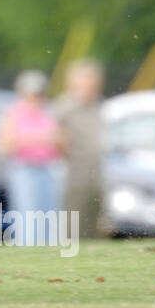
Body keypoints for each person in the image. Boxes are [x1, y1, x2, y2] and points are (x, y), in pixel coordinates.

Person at [0, 70, 64, 245]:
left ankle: (48, 248)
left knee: (49, 212)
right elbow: (4, 144)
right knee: (28, 212)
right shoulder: (14, 112)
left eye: (39, 93)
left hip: (47, 167)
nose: (36, 97)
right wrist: (37, 138)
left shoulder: (48, 112)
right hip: (24, 168)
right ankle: (27, 246)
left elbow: (61, 140)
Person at [51, 59, 105, 240]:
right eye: (86, 79)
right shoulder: (64, 107)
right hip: (74, 172)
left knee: (96, 221)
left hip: (99, 172)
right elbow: (53, 137)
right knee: (74, 220)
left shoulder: (101, 106)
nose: (90, 84)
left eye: (93, 79)